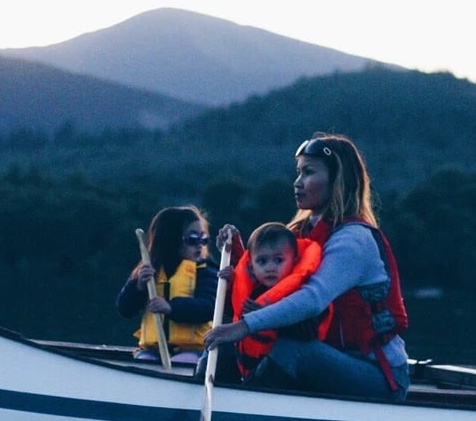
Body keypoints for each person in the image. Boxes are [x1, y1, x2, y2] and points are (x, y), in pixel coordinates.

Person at [204, 133, 410, 402]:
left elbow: (313, 298)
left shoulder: (354, 240)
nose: (297, 183)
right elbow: (272, 283)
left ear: (337, 180)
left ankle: (243, 407)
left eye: (308, 173)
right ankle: (198, 401)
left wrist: (246, 325)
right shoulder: (303, 233)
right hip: (328, 363)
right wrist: (235, 254)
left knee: (294, 349)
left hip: (378, 376)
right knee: (225, 344)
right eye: (298, 173)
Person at [222, 221, 330, 381]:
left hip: (289, 377)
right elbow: (231, 314)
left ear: (294, 261)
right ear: (251, 266)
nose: (270, 268)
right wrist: (228, 288)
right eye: (262, 261)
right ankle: (203, 382)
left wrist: (265, 318)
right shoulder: (254, 292)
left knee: (289, 348)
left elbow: (307, 334)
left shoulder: (303, 295)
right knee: (219, 337)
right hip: (247, 370)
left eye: (278, 260)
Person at [115, 205, 219, 367]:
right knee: (144, 362)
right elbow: (125, 309)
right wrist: (139, 287)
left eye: (203, 239)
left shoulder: (206, 272)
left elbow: (209, 307)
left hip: (194, 350)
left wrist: (171, 308)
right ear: (171, 240)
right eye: (192, 239)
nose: (200, 245)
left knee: (181, 362)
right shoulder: (151, 270)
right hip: (153, 350)